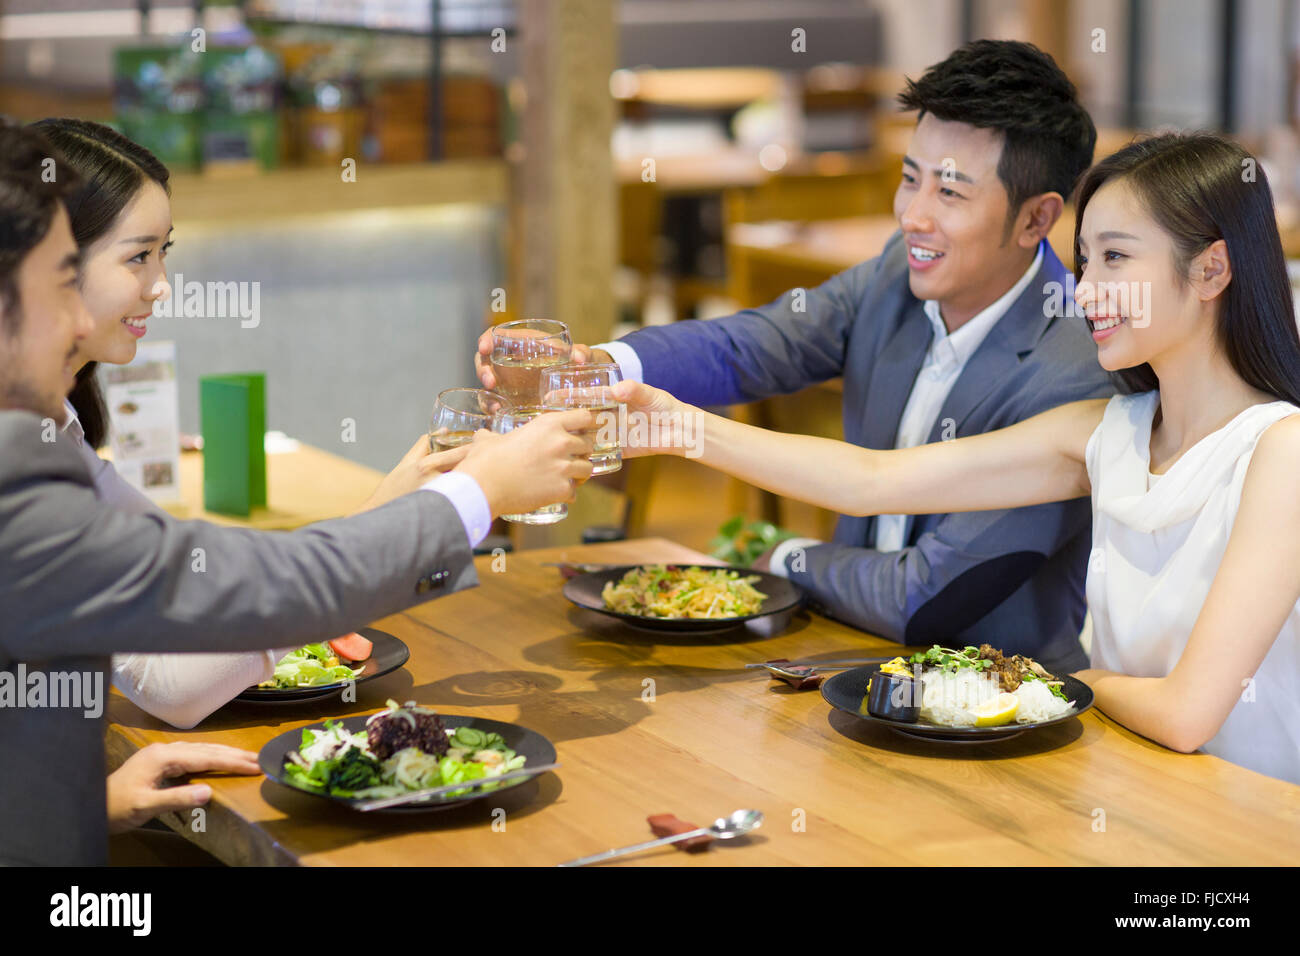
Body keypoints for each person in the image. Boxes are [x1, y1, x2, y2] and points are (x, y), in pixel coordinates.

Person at [611, 132, 1300, 785]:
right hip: (1123, 784)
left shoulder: (1280, 450)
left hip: (1242, 819)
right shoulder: (1108, 431)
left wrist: (1046, 683)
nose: (1084, 291)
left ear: (1211, 269)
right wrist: (680, 428)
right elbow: (871, 481)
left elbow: (1185, 715)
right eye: (1084, 260)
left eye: (1116, 259)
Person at [0, 120, 596, 864]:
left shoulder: (47, 429)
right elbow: (242, 598)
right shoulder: (15, 463)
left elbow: (183, 646)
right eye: (67, 276)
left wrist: (89, 802)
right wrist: (473, 496)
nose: (155, 288)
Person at [479, 40, 1114, 674]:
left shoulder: (1075, 369)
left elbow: (924, 599)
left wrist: (782, 557)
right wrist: (599, 367)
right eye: (908, 178)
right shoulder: (897, 275)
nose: (912, 217)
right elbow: (749, 346)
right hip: (843, 668)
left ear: (1037, 220)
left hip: (997, 714)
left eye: (950, 195)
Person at [32, 117, 461, 729]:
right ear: (48, 266)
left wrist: (393, 508)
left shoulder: (60, 429)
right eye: (139, 257)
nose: (162, 287)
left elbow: (177, 579)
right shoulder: (24, 446)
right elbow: (171, 684)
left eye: (164, 253)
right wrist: (420, 513)